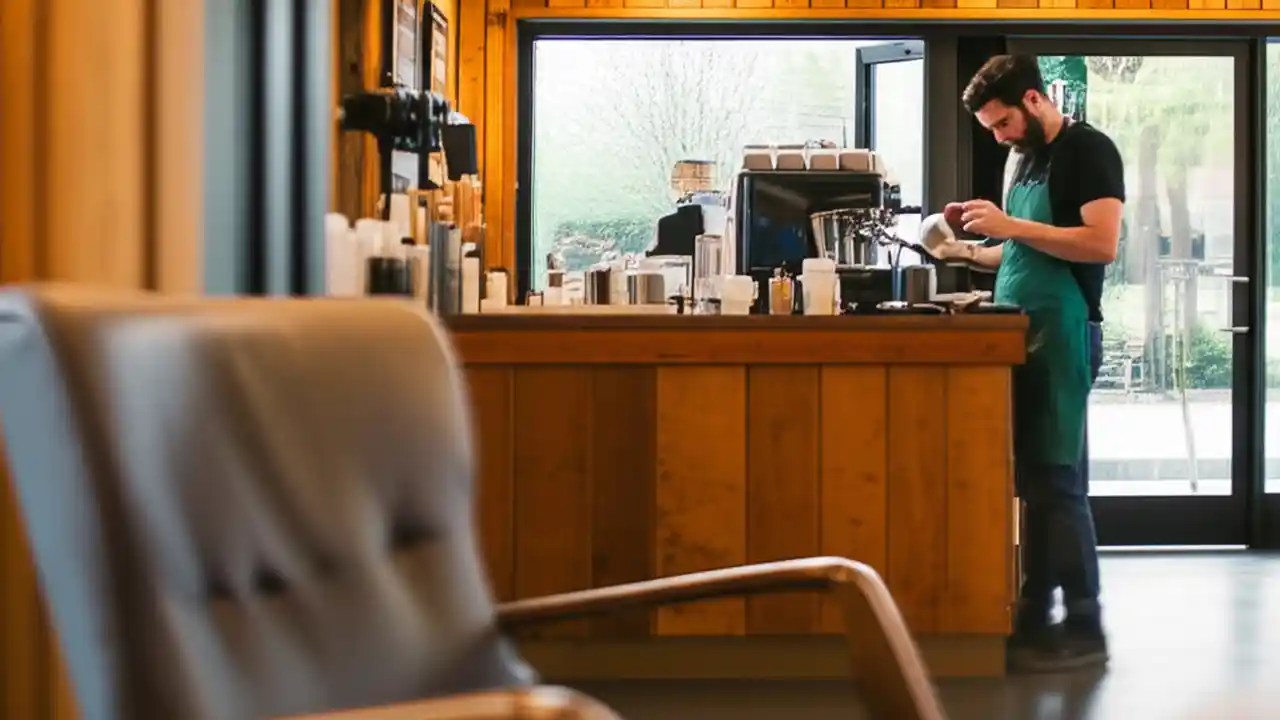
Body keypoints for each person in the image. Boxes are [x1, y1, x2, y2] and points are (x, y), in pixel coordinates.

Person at [936, 54, 1124, 673]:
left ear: (1035, 101)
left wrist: (1009, 222)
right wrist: (961, 246)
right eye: (991, 128)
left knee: (1059, 482)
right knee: (1037, 484)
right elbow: (1016, 254)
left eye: (1002, 123)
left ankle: (1085, 625)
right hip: (1021, 331)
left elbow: (1101, 244)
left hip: (1065, 332)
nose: (998, 136)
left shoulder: (1089, 150)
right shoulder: (1028, 158)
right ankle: (1037, 612)